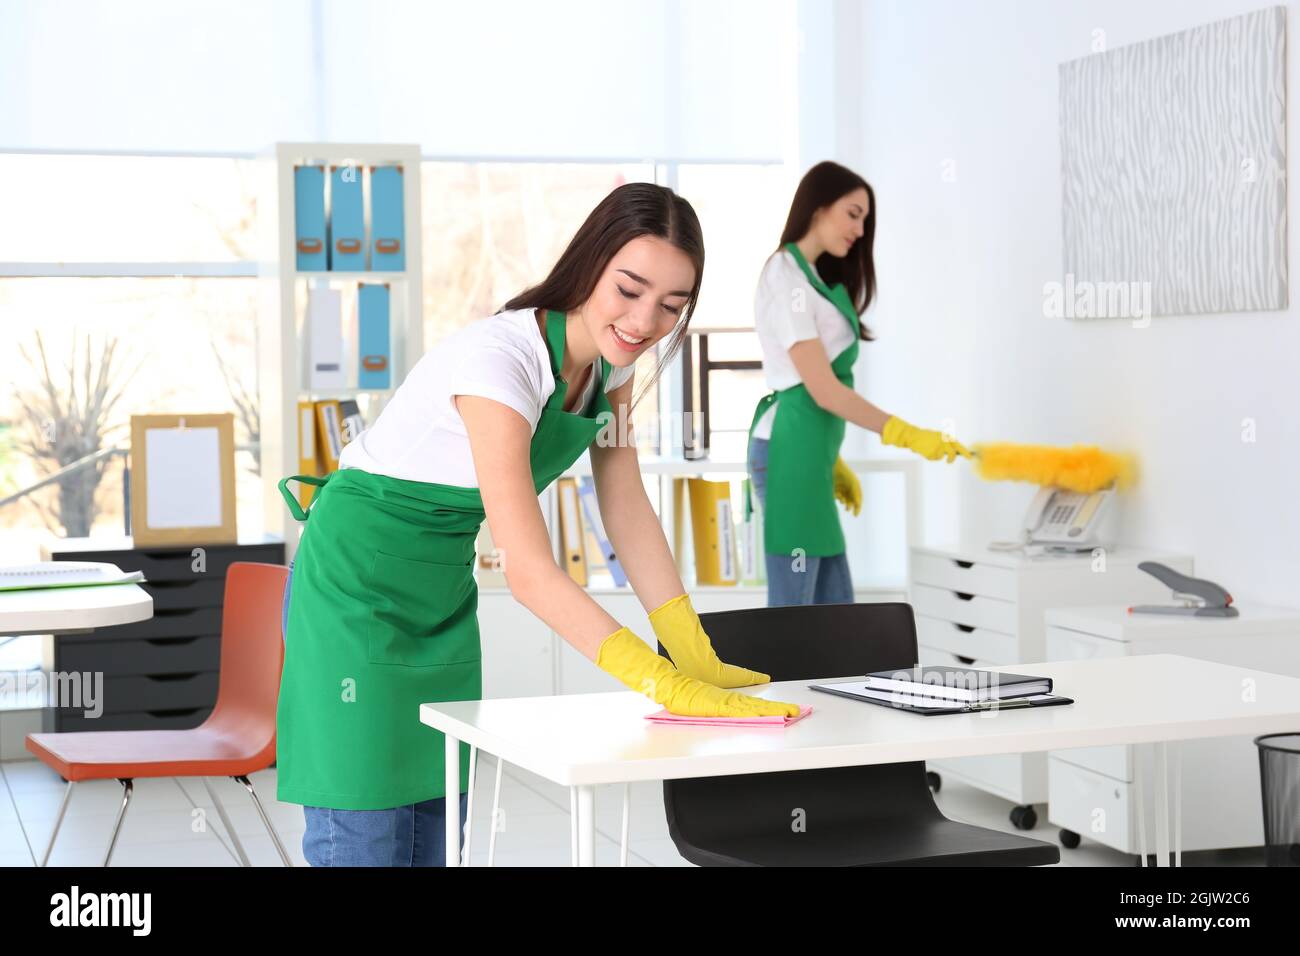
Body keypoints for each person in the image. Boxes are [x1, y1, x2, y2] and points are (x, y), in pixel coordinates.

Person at [277, 183, 799, 866]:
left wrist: (688, 647)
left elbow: (625, 503)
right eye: (630, 289)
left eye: (672, 305)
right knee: (368, 834)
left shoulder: (608, 370)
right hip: (352, 593)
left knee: (434, 828)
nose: (644, 322)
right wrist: (659, 682)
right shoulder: (500, 364)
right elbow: (527, 570)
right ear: (588, 265)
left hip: (437, 595)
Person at [748, 161, 970, 607]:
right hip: (790, 453)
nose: (860, 228)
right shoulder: (785, 277)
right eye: (853, 213)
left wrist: (829, 460)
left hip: (809, 454)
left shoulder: (809, 278)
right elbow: (823, 389)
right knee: (795, 614)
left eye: (864, 219)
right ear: (818, 207)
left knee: (835, 611)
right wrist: (906, 433)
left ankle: (840, 679)